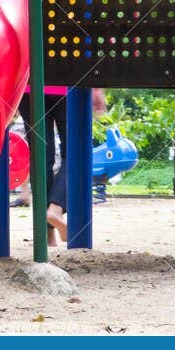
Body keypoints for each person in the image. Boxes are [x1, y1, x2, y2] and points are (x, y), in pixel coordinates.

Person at [47, 88, 106, 248]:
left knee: (41, 156)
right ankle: (55, 209)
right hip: (67, 84)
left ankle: (47, 235)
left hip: (30, 87)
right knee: (74, 151)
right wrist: (96, 88)